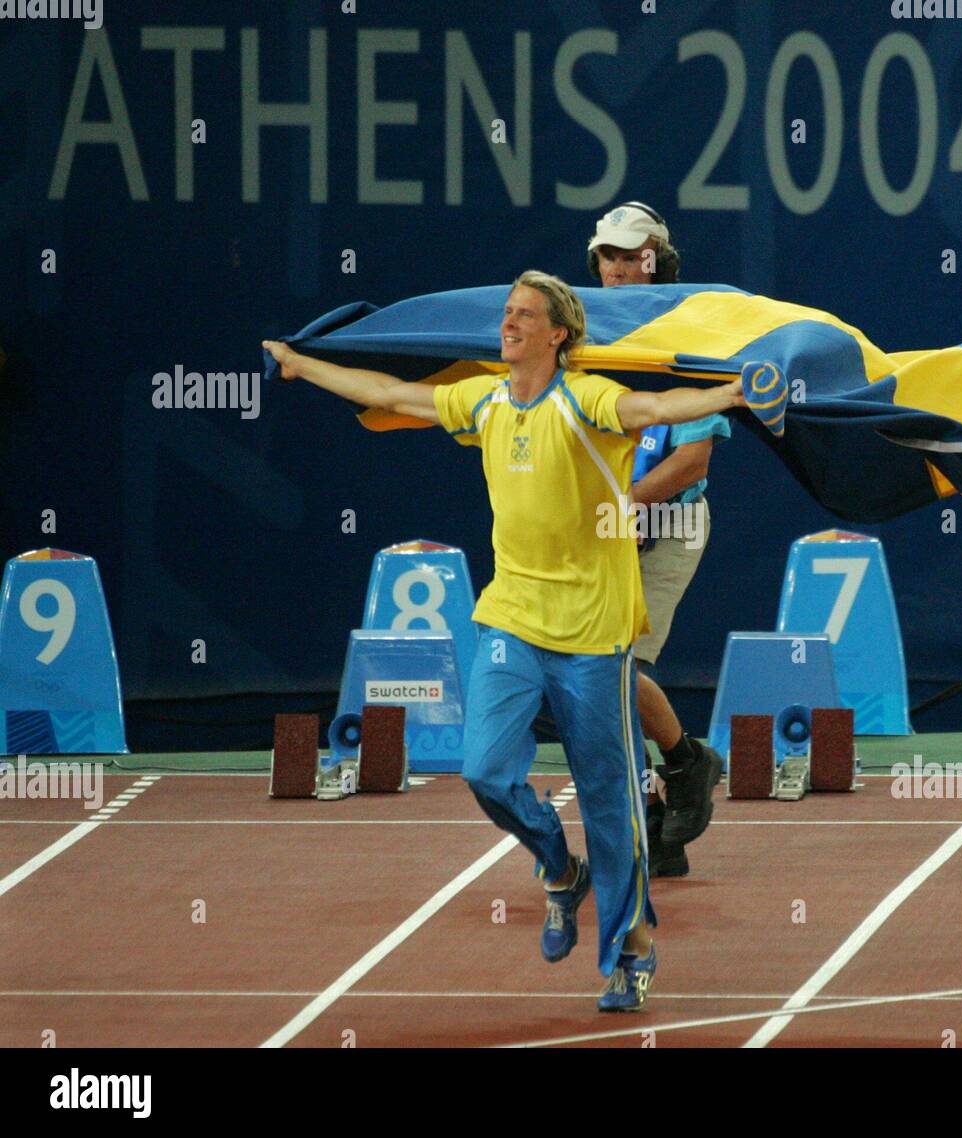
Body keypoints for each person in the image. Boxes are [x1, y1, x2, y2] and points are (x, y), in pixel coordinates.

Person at [263, 271, 749, 1012]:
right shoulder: (485, 398)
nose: (508, 323)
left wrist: (728, 395)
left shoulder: (584, 400)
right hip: (512, 619)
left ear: (559, 334)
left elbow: (652, 406)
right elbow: (391, 395)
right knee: (485, 770)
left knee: (609, 801)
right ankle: (559, 868)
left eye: (525, 315)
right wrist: (303, 367)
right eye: (507, 313)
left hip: (592, 632)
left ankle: (630, 949)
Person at [587, 202, 728, 877]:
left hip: (669, 526)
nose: (618, 269)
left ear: (658, 262)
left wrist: (626, 504)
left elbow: (692, 462)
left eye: (631, 257)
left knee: (615, 668)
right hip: (599, 530)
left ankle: (686, 761)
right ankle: (651, 824)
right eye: (608, 258)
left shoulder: (692, 343)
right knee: (592, 678)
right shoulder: (579, 339)